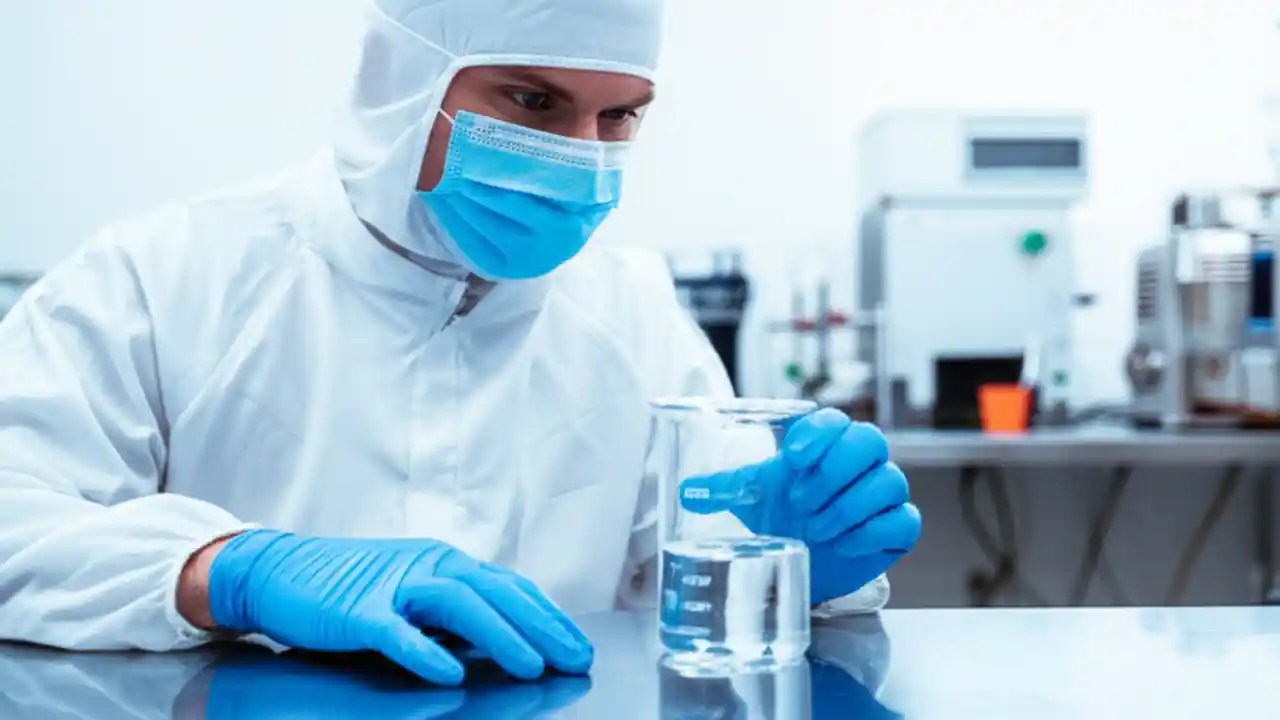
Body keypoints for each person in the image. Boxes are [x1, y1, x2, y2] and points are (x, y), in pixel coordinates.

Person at [0, 0, 921, 686]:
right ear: (406, 85)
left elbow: (696, 589)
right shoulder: (168, 278)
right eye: (532, 99)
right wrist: (227, 571)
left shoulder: (631, 311)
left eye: (620, 117)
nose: (585, 156)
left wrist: (805, 559)